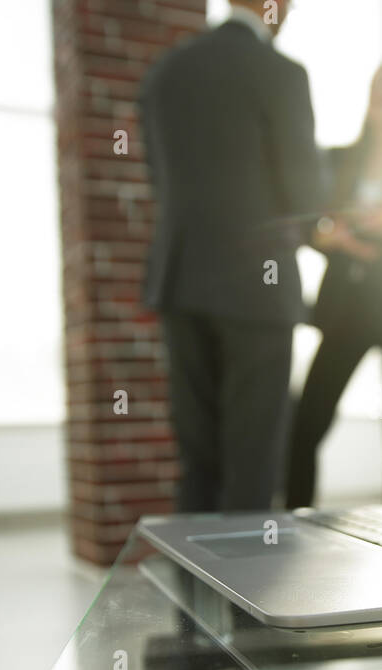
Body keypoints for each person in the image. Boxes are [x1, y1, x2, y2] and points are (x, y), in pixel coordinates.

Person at [140, 0, 322, 513]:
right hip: (256, 290)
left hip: (180, 280)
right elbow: (305, 195)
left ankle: (191, 592)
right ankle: (241, 593)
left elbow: (159, 177)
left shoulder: (166, 72)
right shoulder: (281, 73)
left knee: (199, 462)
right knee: (252, 466)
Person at [286, 64, 382, 508]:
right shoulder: (338, 161)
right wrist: (332, 237)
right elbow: (306, 226)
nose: (379, 93)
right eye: (374, 87)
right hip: (343, 310)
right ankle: (291, 530)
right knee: (306, 426)